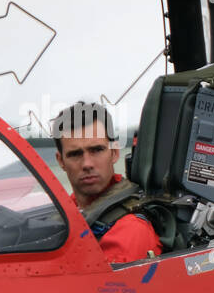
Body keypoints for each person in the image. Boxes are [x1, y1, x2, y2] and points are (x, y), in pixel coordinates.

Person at [52, 101, 161, 264]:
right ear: (61, 161)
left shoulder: (131, 230)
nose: (87, 164)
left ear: (114, 152)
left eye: (97, 150)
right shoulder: (67, 213)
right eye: (75, 154)